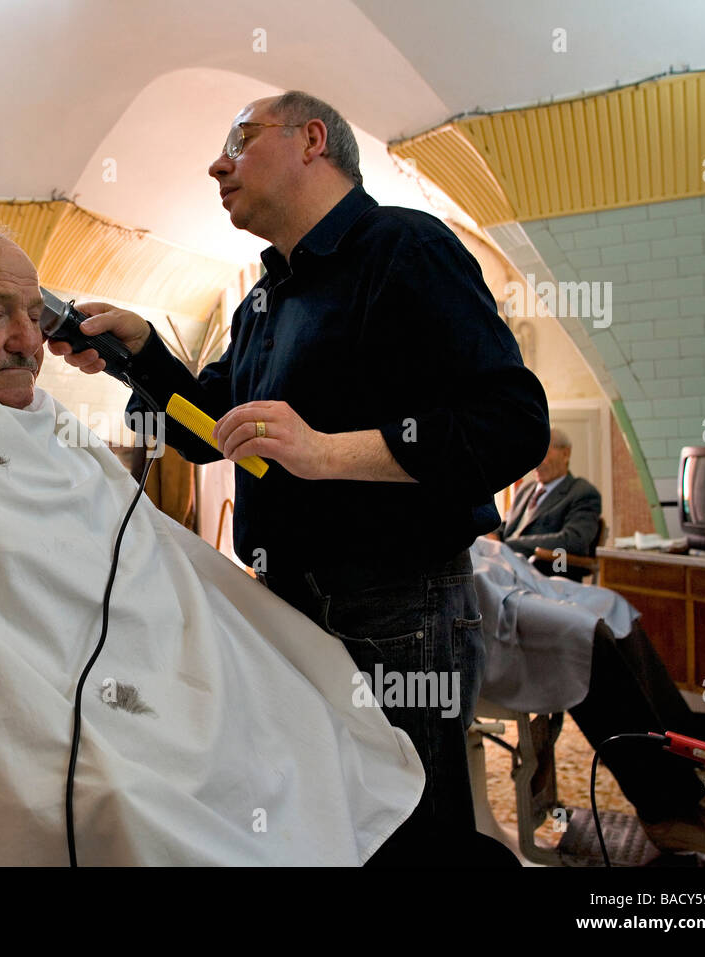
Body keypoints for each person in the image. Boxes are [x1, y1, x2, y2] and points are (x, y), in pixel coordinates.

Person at [0, 227, 425, 865]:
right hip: (13, 734)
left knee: (300, 711)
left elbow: (156, 564)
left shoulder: (52, 428)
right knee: (127, 804)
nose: (28, 343)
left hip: (153, 686)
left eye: (36, 315)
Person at [52, 91, 551, 861]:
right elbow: (210, 431)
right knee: (327, 815)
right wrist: (141, 350)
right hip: (286, 605)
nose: (217, 163)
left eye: (240, 140)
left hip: (396, 609)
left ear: (313, 139)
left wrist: (327, 452)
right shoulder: (264, 295)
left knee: (412, 828)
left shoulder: (405, 249)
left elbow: (511, 421)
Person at [485, 427, 601, 581]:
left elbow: (573, 541)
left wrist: (507, 547)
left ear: (566, 454)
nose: (536, 463)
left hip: (545, 576)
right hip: (503, 566)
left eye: (543, 453)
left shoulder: (582, 493)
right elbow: (507, 525)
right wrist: (492, 537)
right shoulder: (526, 489)